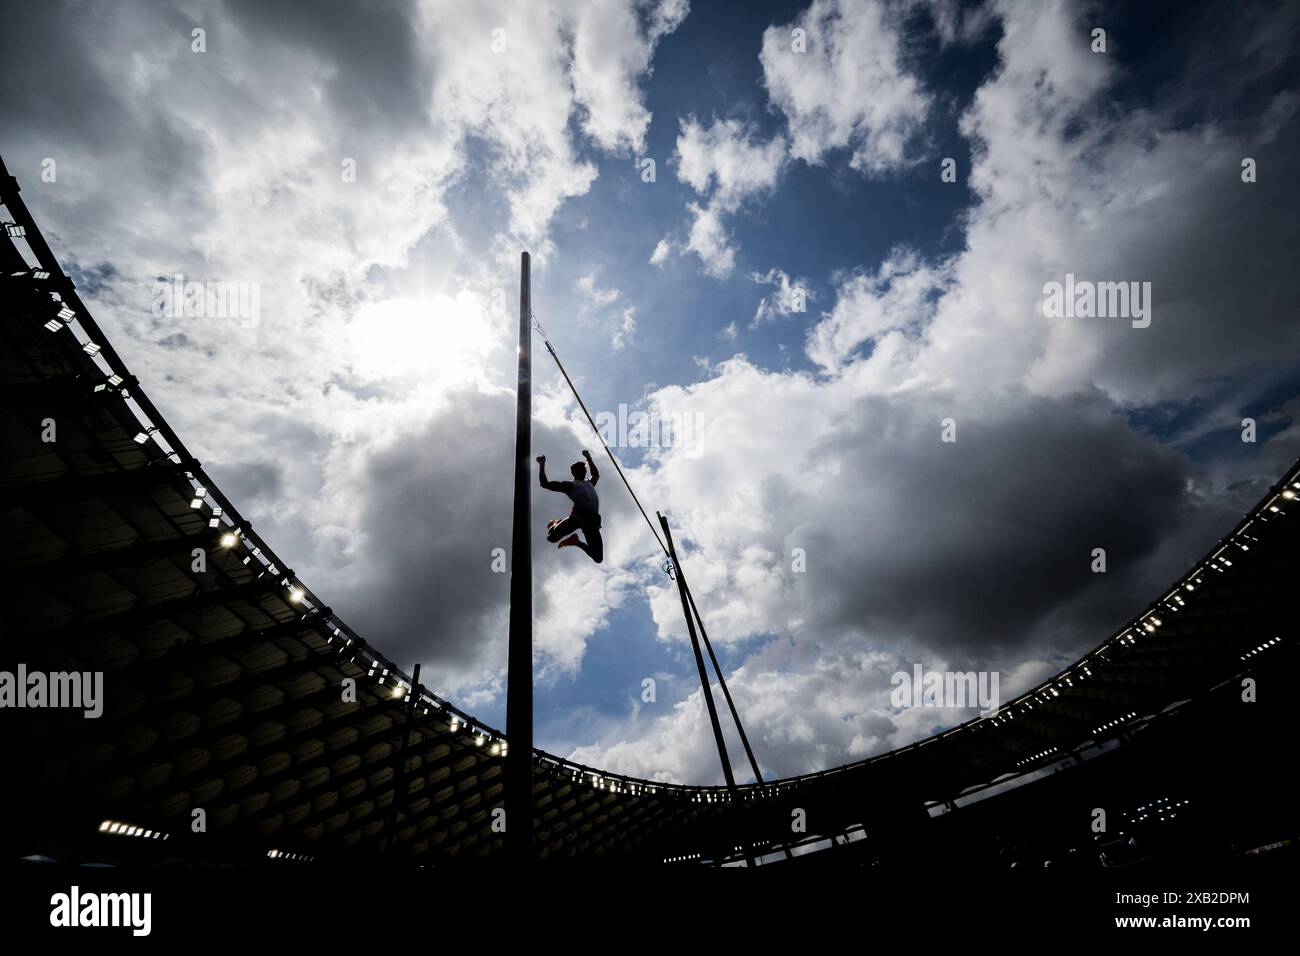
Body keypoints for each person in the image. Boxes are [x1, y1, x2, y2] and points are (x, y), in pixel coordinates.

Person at [537, 449, 603, 563]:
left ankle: (575, 542)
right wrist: (542, 465)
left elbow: (596, 474)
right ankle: (555, 523)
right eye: (582, 470)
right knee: (552, 538)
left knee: (598, 558)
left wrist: (589, 458)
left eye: (585, 470)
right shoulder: (570, 485)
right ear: (575, 473)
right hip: (578, 517)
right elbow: (545, 484)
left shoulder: (589, 483)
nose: (585, 472)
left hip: (592, 523)